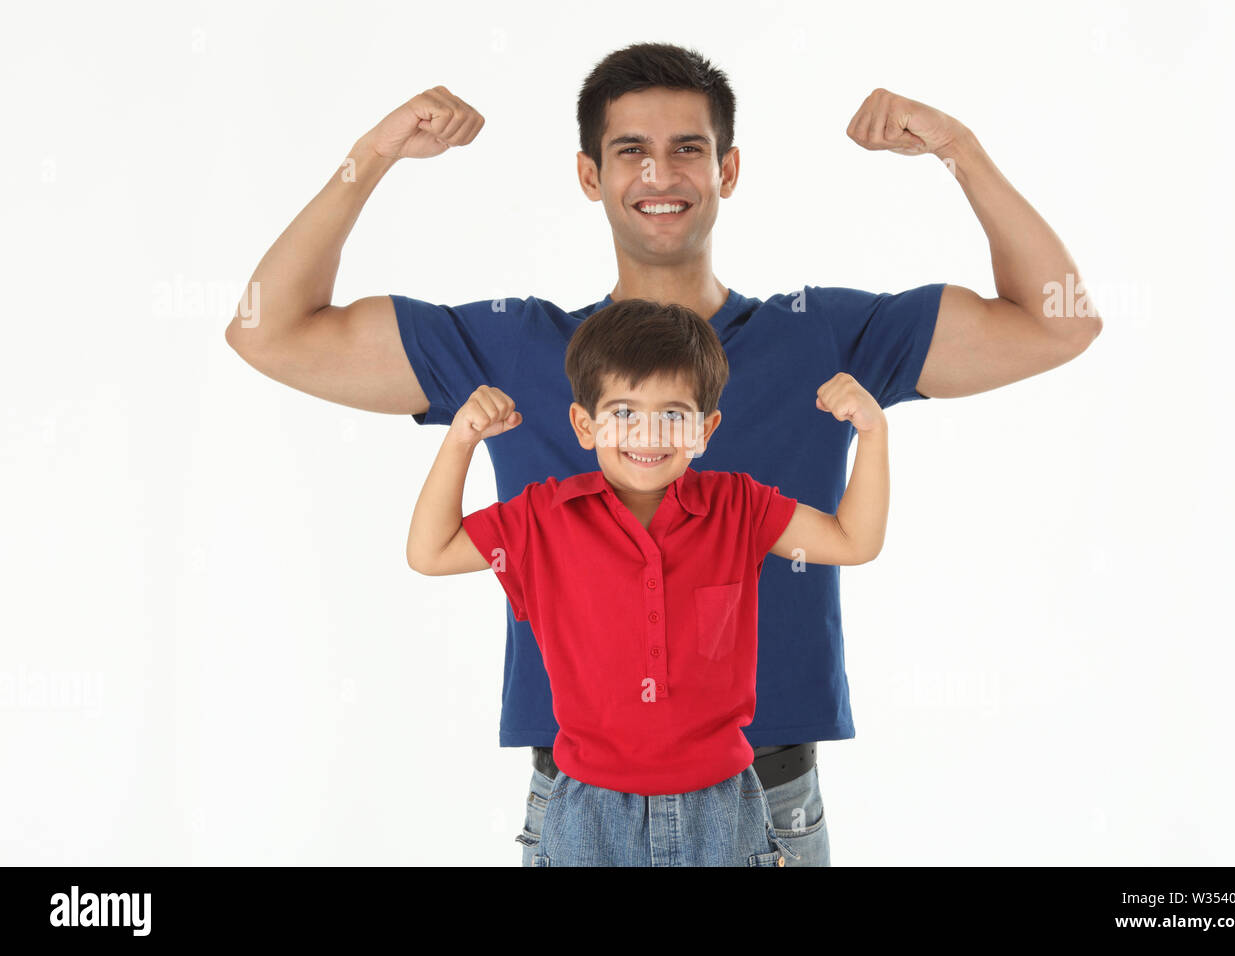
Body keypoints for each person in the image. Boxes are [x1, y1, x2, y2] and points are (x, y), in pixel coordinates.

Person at [225, 43, 1101, 866]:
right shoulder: (518, 348)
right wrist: (369, 155)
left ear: (727, 170)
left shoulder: (820, 335)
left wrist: (963, 150)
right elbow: (270, 335)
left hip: (766, 795)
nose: (659, 174)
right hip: (579, 798)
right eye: (630, 150)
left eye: (688, 149)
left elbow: (1058, 322)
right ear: (589, 175)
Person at [407, 298, 889, 866]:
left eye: (674, 414)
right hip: (586, 810)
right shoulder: (543, 517)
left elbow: (854, 541)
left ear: (706, 429)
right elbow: (429, 552)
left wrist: (873, 430)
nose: (649, 432)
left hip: (724, 806)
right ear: (584, 426)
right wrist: (460, 440)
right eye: (624, 412)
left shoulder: (740, 507)